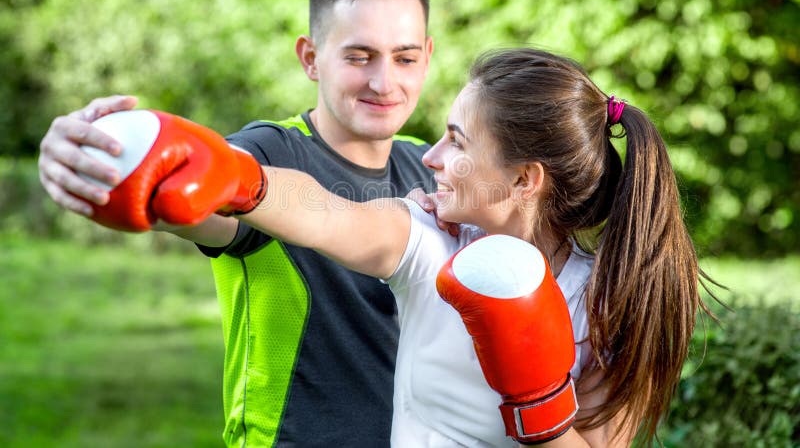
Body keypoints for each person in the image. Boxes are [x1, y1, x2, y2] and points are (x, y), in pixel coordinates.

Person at [73, 47, 713, 447]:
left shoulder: (605, 300)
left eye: (458, 141)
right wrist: (237, 178)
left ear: (525, 180)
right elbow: (327, 213)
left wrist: (538, 400)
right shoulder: (429, 239)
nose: (430, 158)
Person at [37, 0, 436, 447]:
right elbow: (198, 192)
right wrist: (93, 156)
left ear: (427, 57)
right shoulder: (267, 152)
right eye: (359, 56)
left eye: (404, 58)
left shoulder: (428, 164)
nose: (384, 81)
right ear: (311, 58)